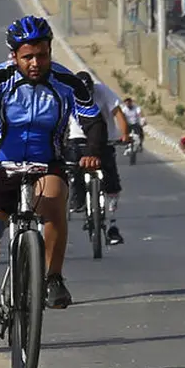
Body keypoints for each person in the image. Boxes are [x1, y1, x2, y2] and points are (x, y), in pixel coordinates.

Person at [0, 16, 106, 348]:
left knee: (54, 199)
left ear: (50, 51)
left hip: (46, 163)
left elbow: (93, 120)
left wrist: (93, 152)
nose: (36, 63)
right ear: (14, 56)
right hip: (0, 165)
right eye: (28, 57)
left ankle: (52, 278)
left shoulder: (68, 82)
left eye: (42, 55)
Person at [67, 71, 130, 245]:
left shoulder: (103, 91)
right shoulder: (68, 93)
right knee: (74, 167)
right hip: (78, 138)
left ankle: (112, 223)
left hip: (105, 139)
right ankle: (77, 197)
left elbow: (118, 113)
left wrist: (125, 134)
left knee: (111, 180)